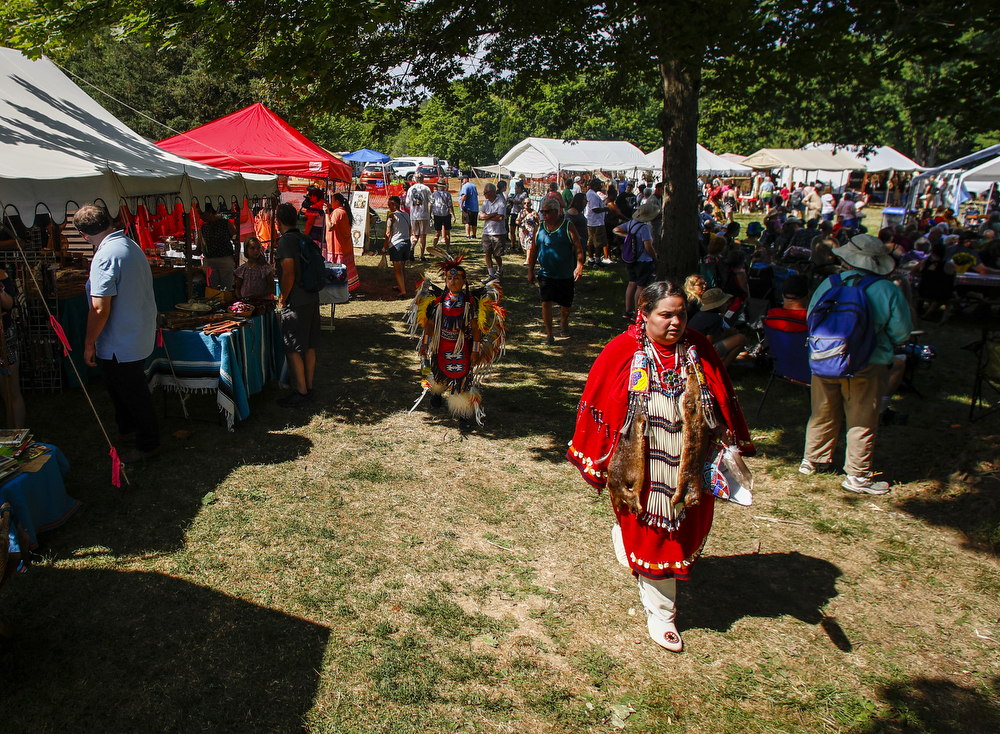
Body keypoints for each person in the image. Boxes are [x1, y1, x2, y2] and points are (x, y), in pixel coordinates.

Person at [568, 280, 754, 652]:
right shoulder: (623, 350)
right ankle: (662, 614)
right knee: (656, 537)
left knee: (683, 529)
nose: (675, 322)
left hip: (689, 461)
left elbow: (718, 394)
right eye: (665, 315)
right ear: (645, 314)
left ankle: (634, 548)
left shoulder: (698, 348)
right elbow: (601, 399)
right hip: (643, 466)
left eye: (681, 314)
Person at [799, 234, 913, 494]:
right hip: (867, 362)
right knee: (862, 416)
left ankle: (813, 459)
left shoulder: (830, 283)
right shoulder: (887, 290)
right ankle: (857, 476)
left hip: (825, 357)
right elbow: (902, 333)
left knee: (822, 409)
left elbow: (811, 317)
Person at [74, 204, 159, 462]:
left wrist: (88, 344)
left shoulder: (106, 255)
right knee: (116, 385)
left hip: (123, 338)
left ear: (85, 236)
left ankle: (148, 443)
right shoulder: (127, 244)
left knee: (133, 391)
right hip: (131, 332)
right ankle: (129, 429)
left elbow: (100, 308)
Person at [407, 253, 507, 432]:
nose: (452, 281)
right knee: (438, 374)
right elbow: (430, 324)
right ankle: (436, 393)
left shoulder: (469, 304)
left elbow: (476, 329)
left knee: (463, 381)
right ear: (445, 280)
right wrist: (425, 343)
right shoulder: (438, 302)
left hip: (462, 349)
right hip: (441, 346)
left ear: (464, 280)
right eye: (449, 278)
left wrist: (476, 350)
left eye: (456, 278)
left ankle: (462, 415)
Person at [274, 202, 320, 408]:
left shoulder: (285, 242)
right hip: (311, 297)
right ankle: (308, 388)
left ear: (278, 222)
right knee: (309, 346)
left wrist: (283, 297)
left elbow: (289, 272)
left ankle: (301, 391)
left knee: (292, 348)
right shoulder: (303, 237)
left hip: (297, 300)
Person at [527, 199, 585, 344]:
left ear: (556, 212)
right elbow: (533, 251)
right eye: (542, 212)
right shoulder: (539, 228)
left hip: (565, 275)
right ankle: (550, 334)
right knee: (546, 303)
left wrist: (579, 265)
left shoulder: (568, 227)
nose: (543, 214)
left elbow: (578, 248)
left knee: (566, 306)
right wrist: (530, 271)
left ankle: (564, 321)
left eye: (546, 212)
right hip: (545, 274)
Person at [615, 200, 659, 321]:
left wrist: (628, 237)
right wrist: (655, 258)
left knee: (631, 284)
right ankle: (637, 312)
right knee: (641, 287)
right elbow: (648, 246)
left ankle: (628, 310)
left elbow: (616, 229)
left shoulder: (631, 224)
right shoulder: (645, 228)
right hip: (643, 260)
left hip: (631, 259)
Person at [687, 288, 747, 369]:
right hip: (700, 353)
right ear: (719, 305)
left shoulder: (701, 314)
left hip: (691, 350)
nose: (727, 305)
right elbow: (708, 343)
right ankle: (722, 371)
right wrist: (728, 334)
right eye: (725, 303)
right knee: (740, 339)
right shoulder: (715, 318)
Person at [0, 266, 25, 429]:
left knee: (10, 390)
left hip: (4, 335)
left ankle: (18, 437)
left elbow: (10, 304)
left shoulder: (1, 274)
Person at [198, 202, 237, 290]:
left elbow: (236, 239)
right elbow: (199, 249)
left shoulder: (225, 223)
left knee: (228, 288)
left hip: (225, 259)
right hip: (209, 261)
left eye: (202, 213)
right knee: (213, 289)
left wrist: (235, 256)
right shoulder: (203, 228)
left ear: (209, 211)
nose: (200, 216)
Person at [325, 193, 358, 291]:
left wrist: (326, 213)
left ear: (337, 202)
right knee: (346, 269)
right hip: (344, 245)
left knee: (338, 270)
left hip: (337, 247)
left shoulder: (337, 212)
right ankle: (348, 288)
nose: (331, 203)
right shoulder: (343, 211)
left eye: (332, 200)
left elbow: (330, 227)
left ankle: (340, 290)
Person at [916, 241, 956, 322]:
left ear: (932, 251)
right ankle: (926, 314)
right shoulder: (949, 265)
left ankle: (925, 313)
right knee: (946, 293)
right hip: (940, 293)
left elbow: (913, 271)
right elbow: (953, 278)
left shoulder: (924, 262)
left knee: (939, 292)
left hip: (923, 290)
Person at [383, 196, 411, 297]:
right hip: (407, 243)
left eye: (389, 205)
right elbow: (409, 228)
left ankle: (403, 290)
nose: (388, 207)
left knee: (398, 269)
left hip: (396, 244)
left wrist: (384, 246)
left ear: (395, 205)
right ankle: (402, 285)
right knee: (403, 267)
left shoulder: (392, 217)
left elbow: (388, 233)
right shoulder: (407, 215)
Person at [480, 182, 507, 281]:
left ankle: (500, 269)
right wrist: (492, 215)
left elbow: (500, 217)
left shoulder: (501, 202)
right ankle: (491, 274)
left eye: (485, 192)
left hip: (498, 232)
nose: (484, 194)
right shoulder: (485, 202)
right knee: (487, 253)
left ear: (491, 192)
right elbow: (480, 216)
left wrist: (487, 216)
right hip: (487, 232)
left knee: (497, 254)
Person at [233, 237, 275, 302]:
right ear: (246, 250)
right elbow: (237, 288)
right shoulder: (242, 269)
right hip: (246, 303)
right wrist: (240, 300)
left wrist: (258, 295)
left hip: (262, 303)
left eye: (258, 248)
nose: (256, 251)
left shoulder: (264, 268)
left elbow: (272, 289)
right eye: (252, 248)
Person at [405, 172, 433, 262]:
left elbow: (407, 203)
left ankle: (411, 248)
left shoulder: (410, 189)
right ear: (422, 179)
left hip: (414, 215)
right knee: (423, 236)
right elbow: (432, 201)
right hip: (423, 215)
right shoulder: (426, 188)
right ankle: (421, 256)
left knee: (415, 235)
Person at [585, 178, 610, 266]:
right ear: (595, 185)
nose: (600, 186)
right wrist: (606, 209)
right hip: (597, 222)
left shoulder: (589, 193)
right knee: (598, 242)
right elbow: (595, 209)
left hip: (591, 221)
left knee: (591, 241)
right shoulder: (594, 196)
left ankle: (591, 259)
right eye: (599, 184)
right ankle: (597, 260)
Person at [430, 180, 453, 252]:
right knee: (447, 233)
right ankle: (448, 249)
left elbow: (431, 205)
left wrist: (430, 214)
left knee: (437, 232)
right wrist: (453, 215)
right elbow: (450, 205)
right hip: (446, 214)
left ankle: (434, 247)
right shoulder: (448, 194)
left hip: (437, 214)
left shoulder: (434, 194)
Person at [516, 198, 540, 262]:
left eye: (528, 203)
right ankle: (531, 257)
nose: (526, 204)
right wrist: (518, 222)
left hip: (531, 231)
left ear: (531, 204)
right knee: (523, 245)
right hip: (523, 230)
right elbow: (517, 220)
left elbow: (538, 222)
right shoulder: (521, 212)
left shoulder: (534, 212)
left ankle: (528, 260)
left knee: (529, 245)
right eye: (525, 203)